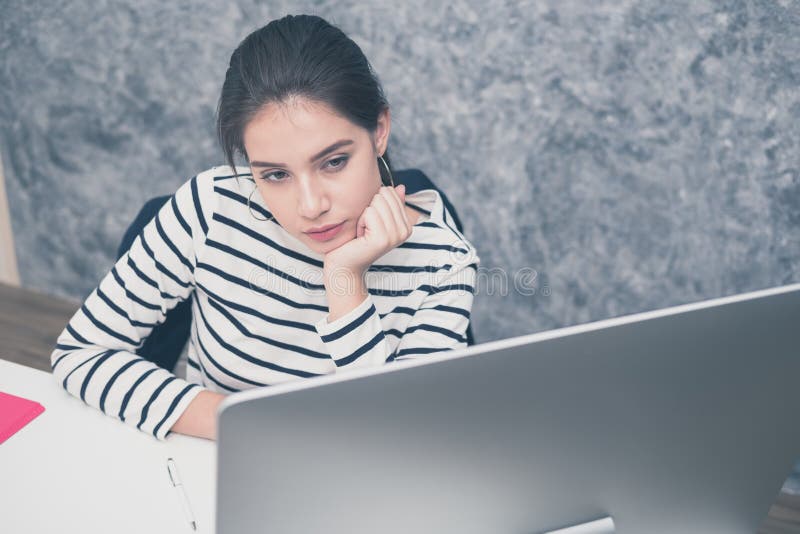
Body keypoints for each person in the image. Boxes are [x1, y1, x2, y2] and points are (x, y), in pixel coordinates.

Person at [50, 14, 480, 441]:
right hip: (221, 471)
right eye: (275, 175)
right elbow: (80, 354)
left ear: (379, 131)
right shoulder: (212, 207)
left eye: (333, 162)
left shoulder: (446, 265)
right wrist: (249, 425)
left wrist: (345, 282)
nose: (311, 207)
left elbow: (404, 444)